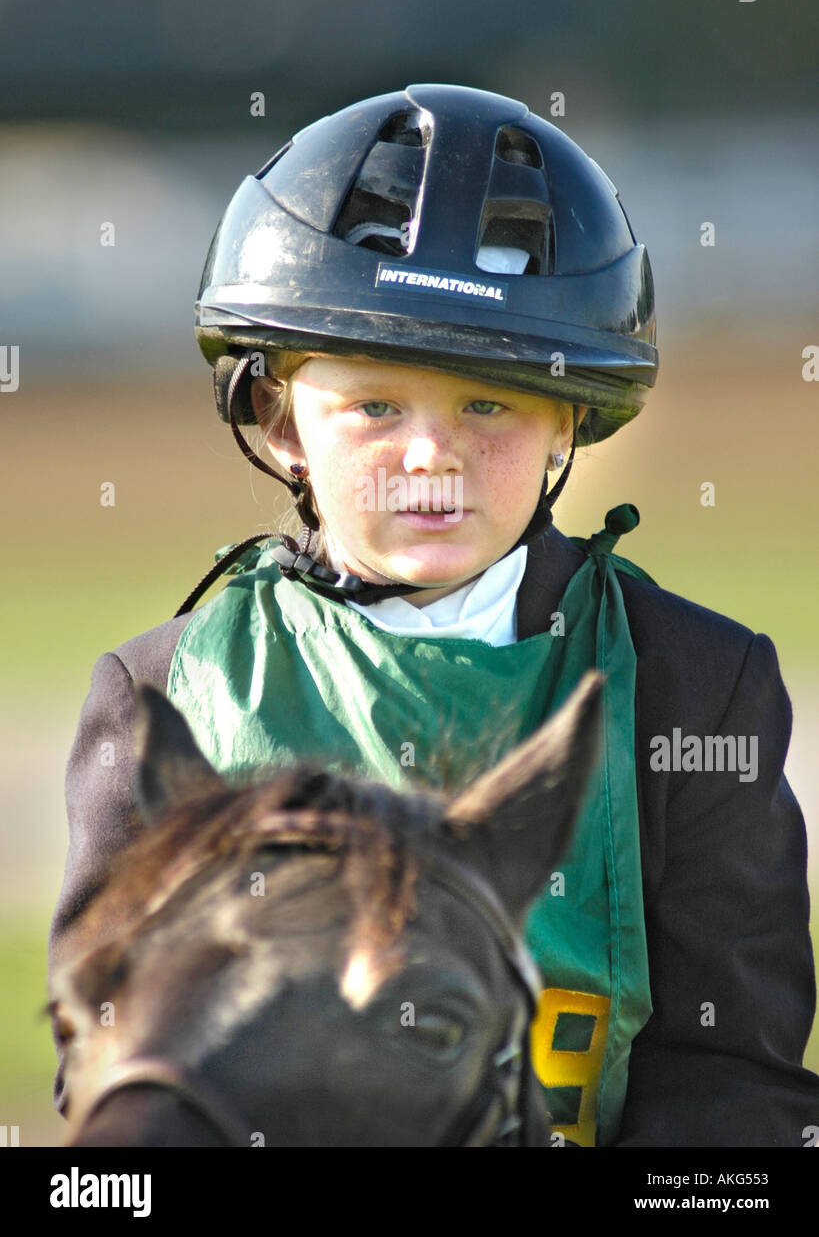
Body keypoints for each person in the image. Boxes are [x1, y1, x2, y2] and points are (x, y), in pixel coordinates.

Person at [48, 82, 818, 1146]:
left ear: (568, 425)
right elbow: (110, 1080)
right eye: (373, 405)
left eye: (488, 403)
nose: (431, 455)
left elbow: (736, 1081)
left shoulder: (697, 679)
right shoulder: (158, 698)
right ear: (278, 422)